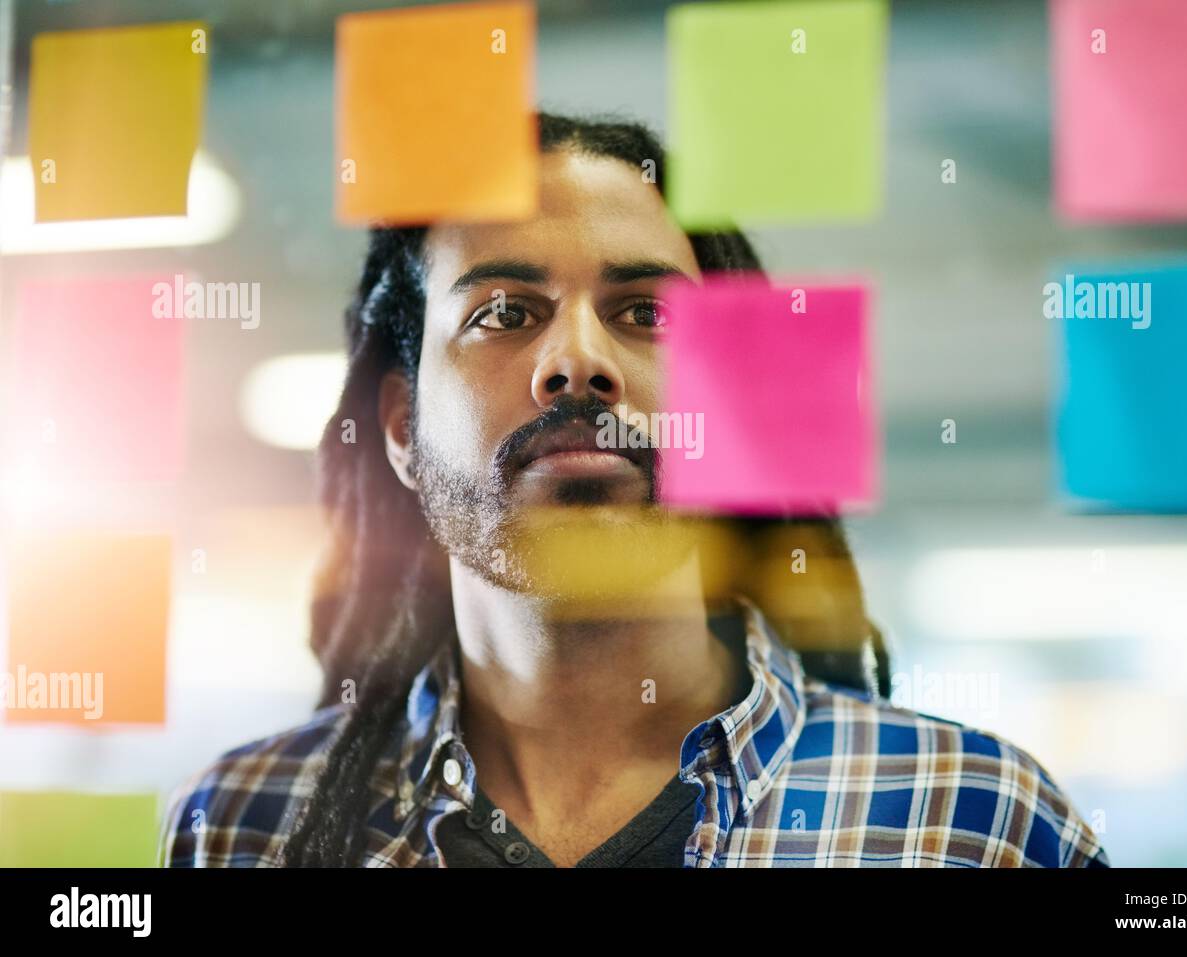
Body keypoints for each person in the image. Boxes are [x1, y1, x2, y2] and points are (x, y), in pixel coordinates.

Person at [160, 113, 1109, 868]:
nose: (578, 360)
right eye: (504, 312)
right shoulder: (245, 825)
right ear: (403, 430)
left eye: (646, 311)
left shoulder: (975, 822)